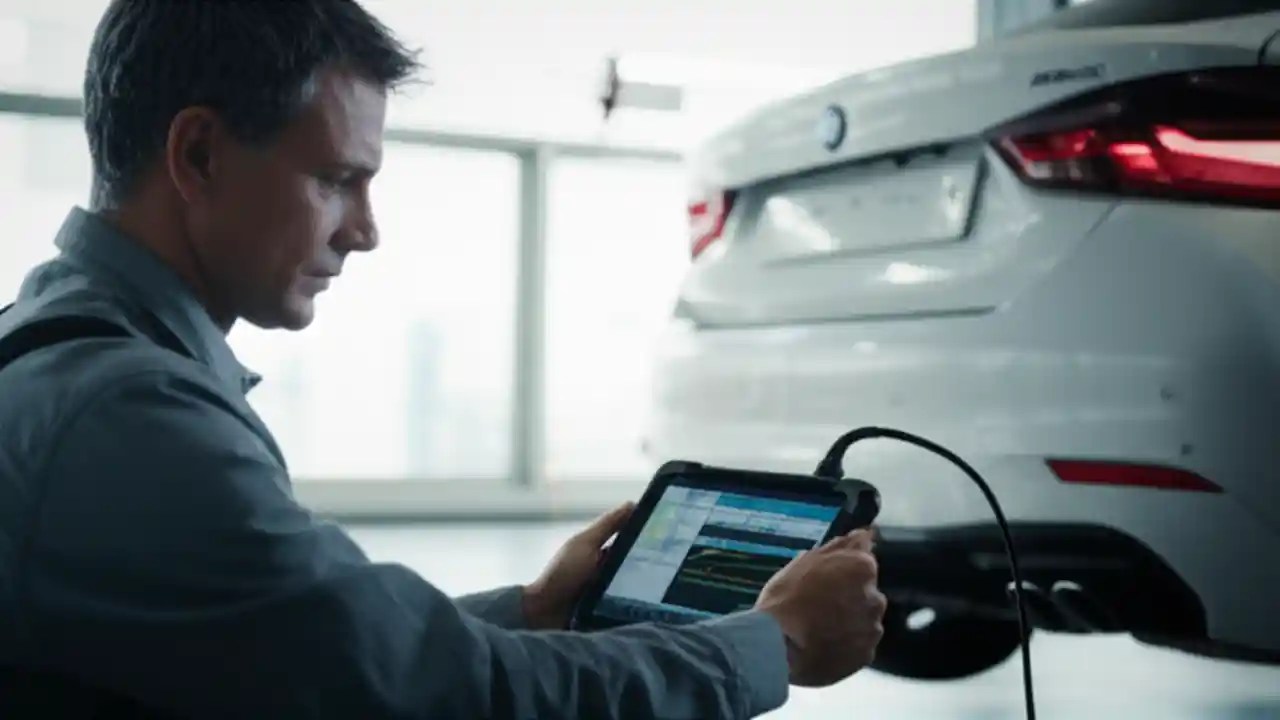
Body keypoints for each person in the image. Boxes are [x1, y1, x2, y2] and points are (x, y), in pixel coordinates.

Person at [0, 1, 887, 718]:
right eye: (336, 179)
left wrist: (534, 611)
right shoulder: (130, 421)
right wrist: (776, 643)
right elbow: (448, 698)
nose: (365, 229)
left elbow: (314, 654)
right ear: (197, 154)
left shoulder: (50, 346)